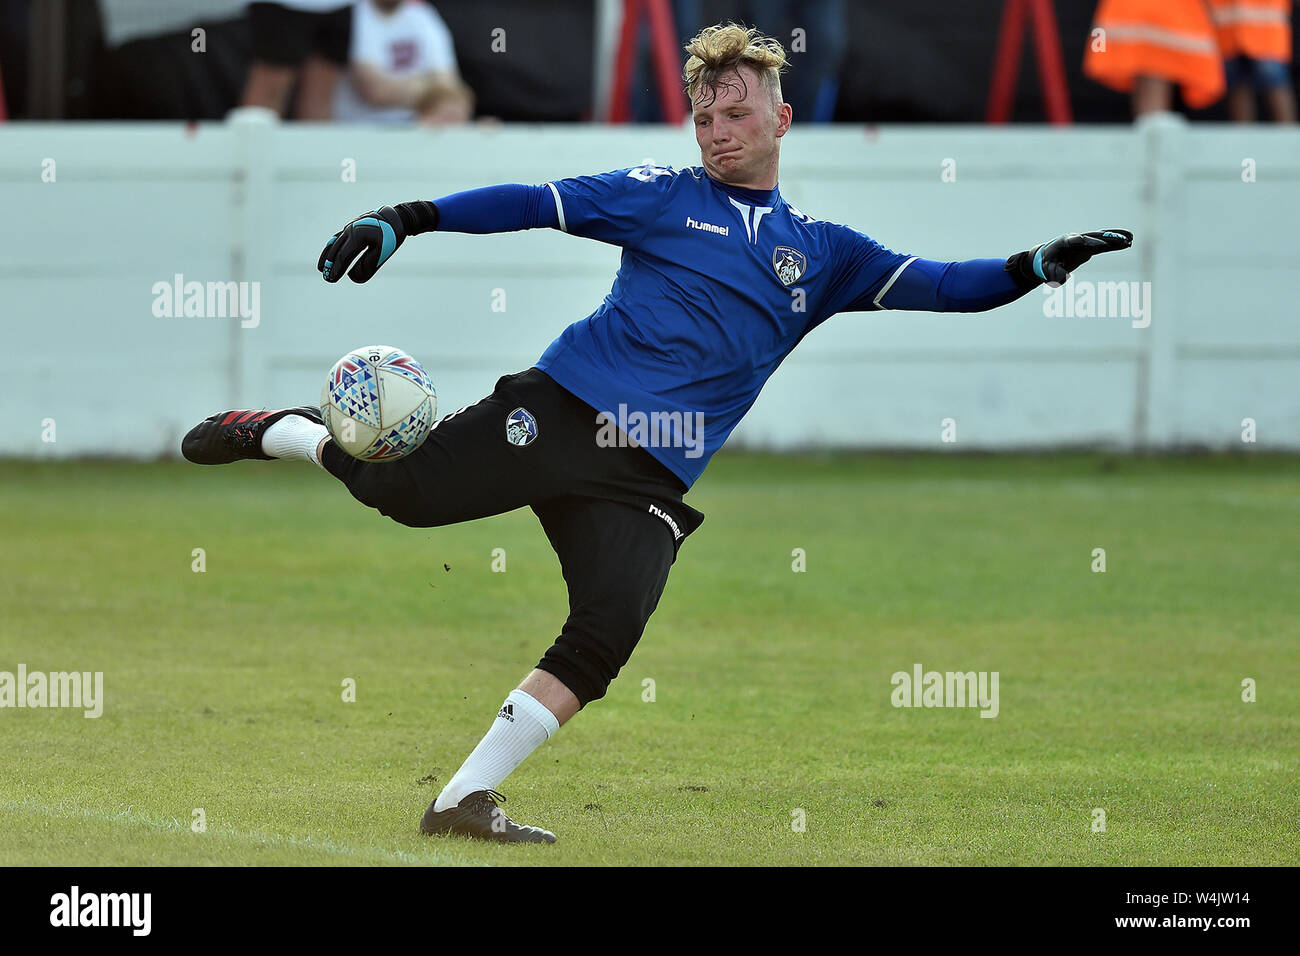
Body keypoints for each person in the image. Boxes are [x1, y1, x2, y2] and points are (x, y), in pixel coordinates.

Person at [183, 23, 1132, 843]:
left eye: (736, 112)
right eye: (705, 116)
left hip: (647, 476)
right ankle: (279, 430)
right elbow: (533, 202)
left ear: (780, 120)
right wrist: (408, 218)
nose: (718, 131)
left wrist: (1034, 264)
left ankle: (464, 798)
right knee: (407, 497)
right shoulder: (659, 193)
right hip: (564, 412)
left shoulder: (827, 255)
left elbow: (946, 283)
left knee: (606, 632)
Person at [333, 0, 473, 126]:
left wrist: (440, 96)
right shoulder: (351, 13)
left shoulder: (422, 14)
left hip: (412, 129)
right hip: (359, 130)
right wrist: (433, 93)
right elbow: (375, 90)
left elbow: (450, 87)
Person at [1083, 0, 1226, 117]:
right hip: (1170, 16)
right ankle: (1152, 139)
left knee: (1151, 82)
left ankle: (1150, 136)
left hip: (1139, 14)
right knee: (1154, 78)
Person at [241, 0, 354, 120]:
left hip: (340, 5)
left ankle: (313, 139)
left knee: (320, 98)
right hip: (280, 6)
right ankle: (255, 138)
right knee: (270, 91)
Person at [1207, 0, 1296, 123]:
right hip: (1229, 35)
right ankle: (1244, 139)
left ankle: (1289, 138)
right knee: (1238, 86)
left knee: (1275, 85)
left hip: (1265, 33)